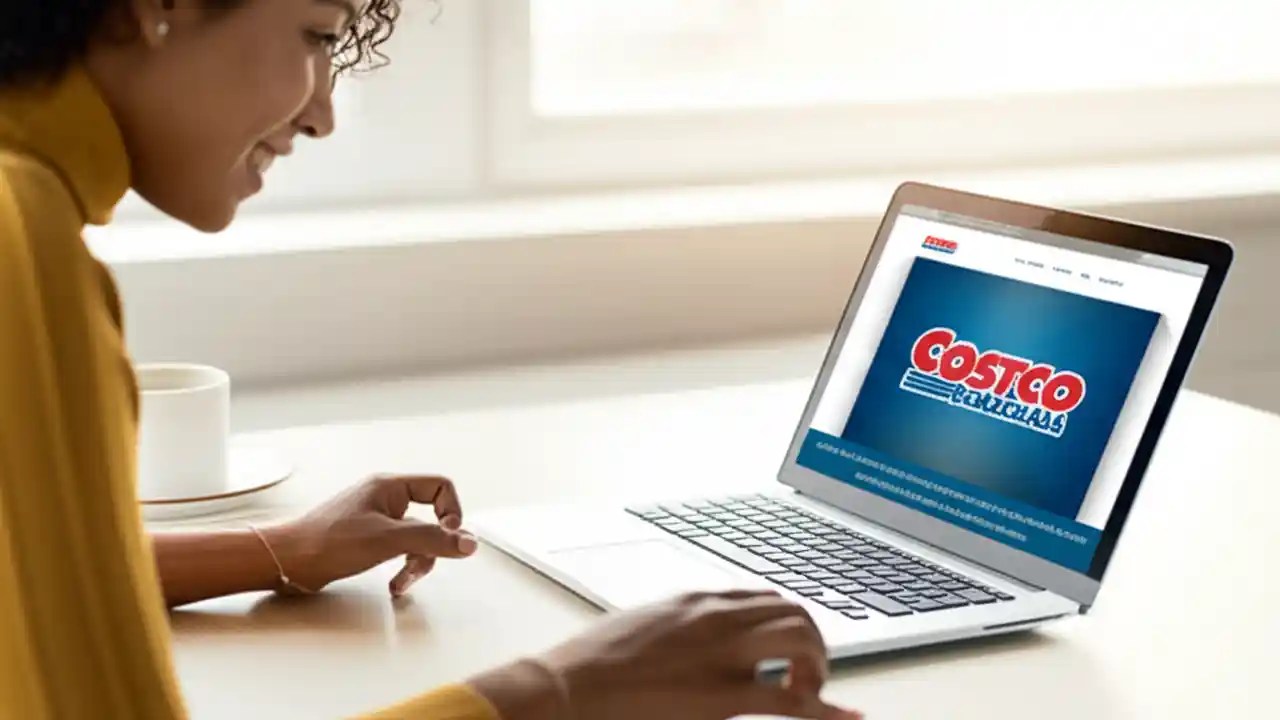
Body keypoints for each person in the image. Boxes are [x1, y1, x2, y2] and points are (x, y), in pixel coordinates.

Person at [0, 2, 865, 718]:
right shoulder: (21, 242)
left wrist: (279, 550)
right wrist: (571, 686)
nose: (323, 113)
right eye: (317, 35)